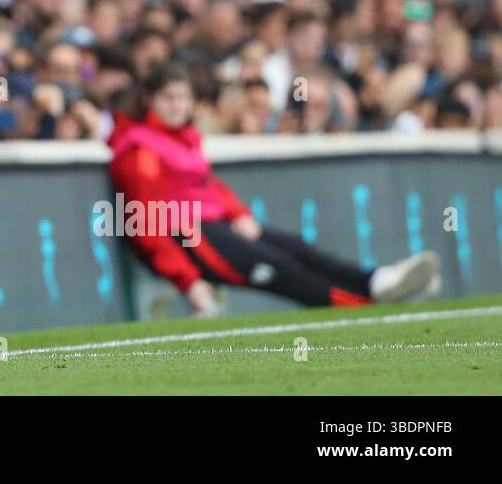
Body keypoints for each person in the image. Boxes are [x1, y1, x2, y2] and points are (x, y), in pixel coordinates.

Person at [108, 62, 442, 314]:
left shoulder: (183, 138)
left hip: (214, 224)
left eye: (183, 98)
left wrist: (238, 213)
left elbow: (207, 185)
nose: (177, 106)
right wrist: (188, 280)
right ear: (149, 100)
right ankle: (368, 301)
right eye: (167, 98)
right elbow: (146, 223)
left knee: (297, 248)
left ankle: (376, 280)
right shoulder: (141, 150)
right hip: (190, 235)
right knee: (281, 269)